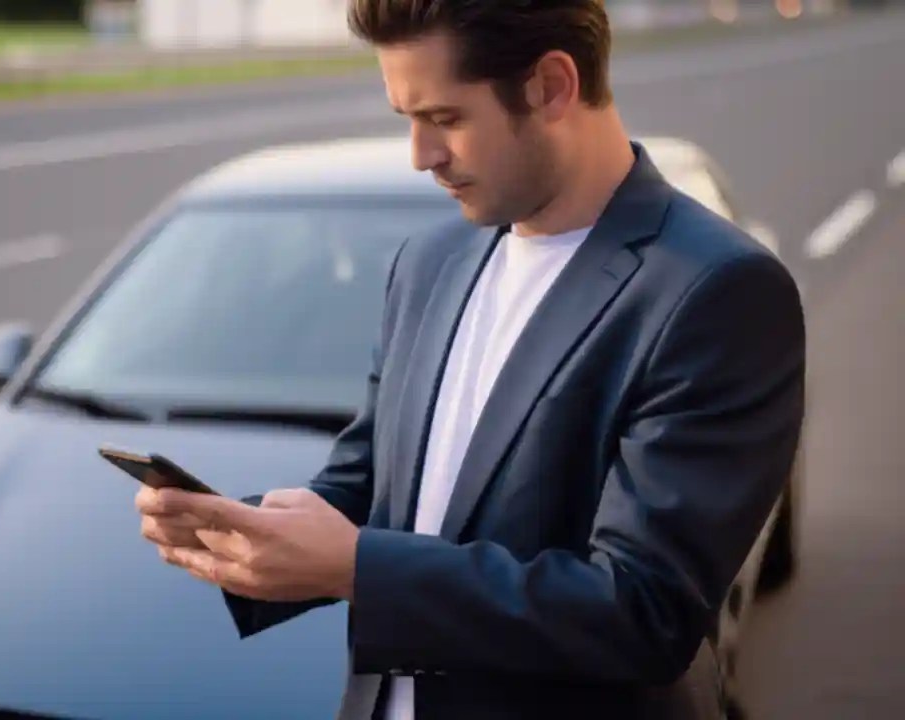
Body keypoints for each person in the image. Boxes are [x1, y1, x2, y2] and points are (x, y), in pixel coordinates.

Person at [134, 1, 806, 718]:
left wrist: (356, 566)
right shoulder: (429, 263)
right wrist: (248, 540)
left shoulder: (716, 291)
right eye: (407, 119)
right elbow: (371, 484)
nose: (420, 155)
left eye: (446, 119)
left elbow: (642, 612)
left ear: (552, 86)